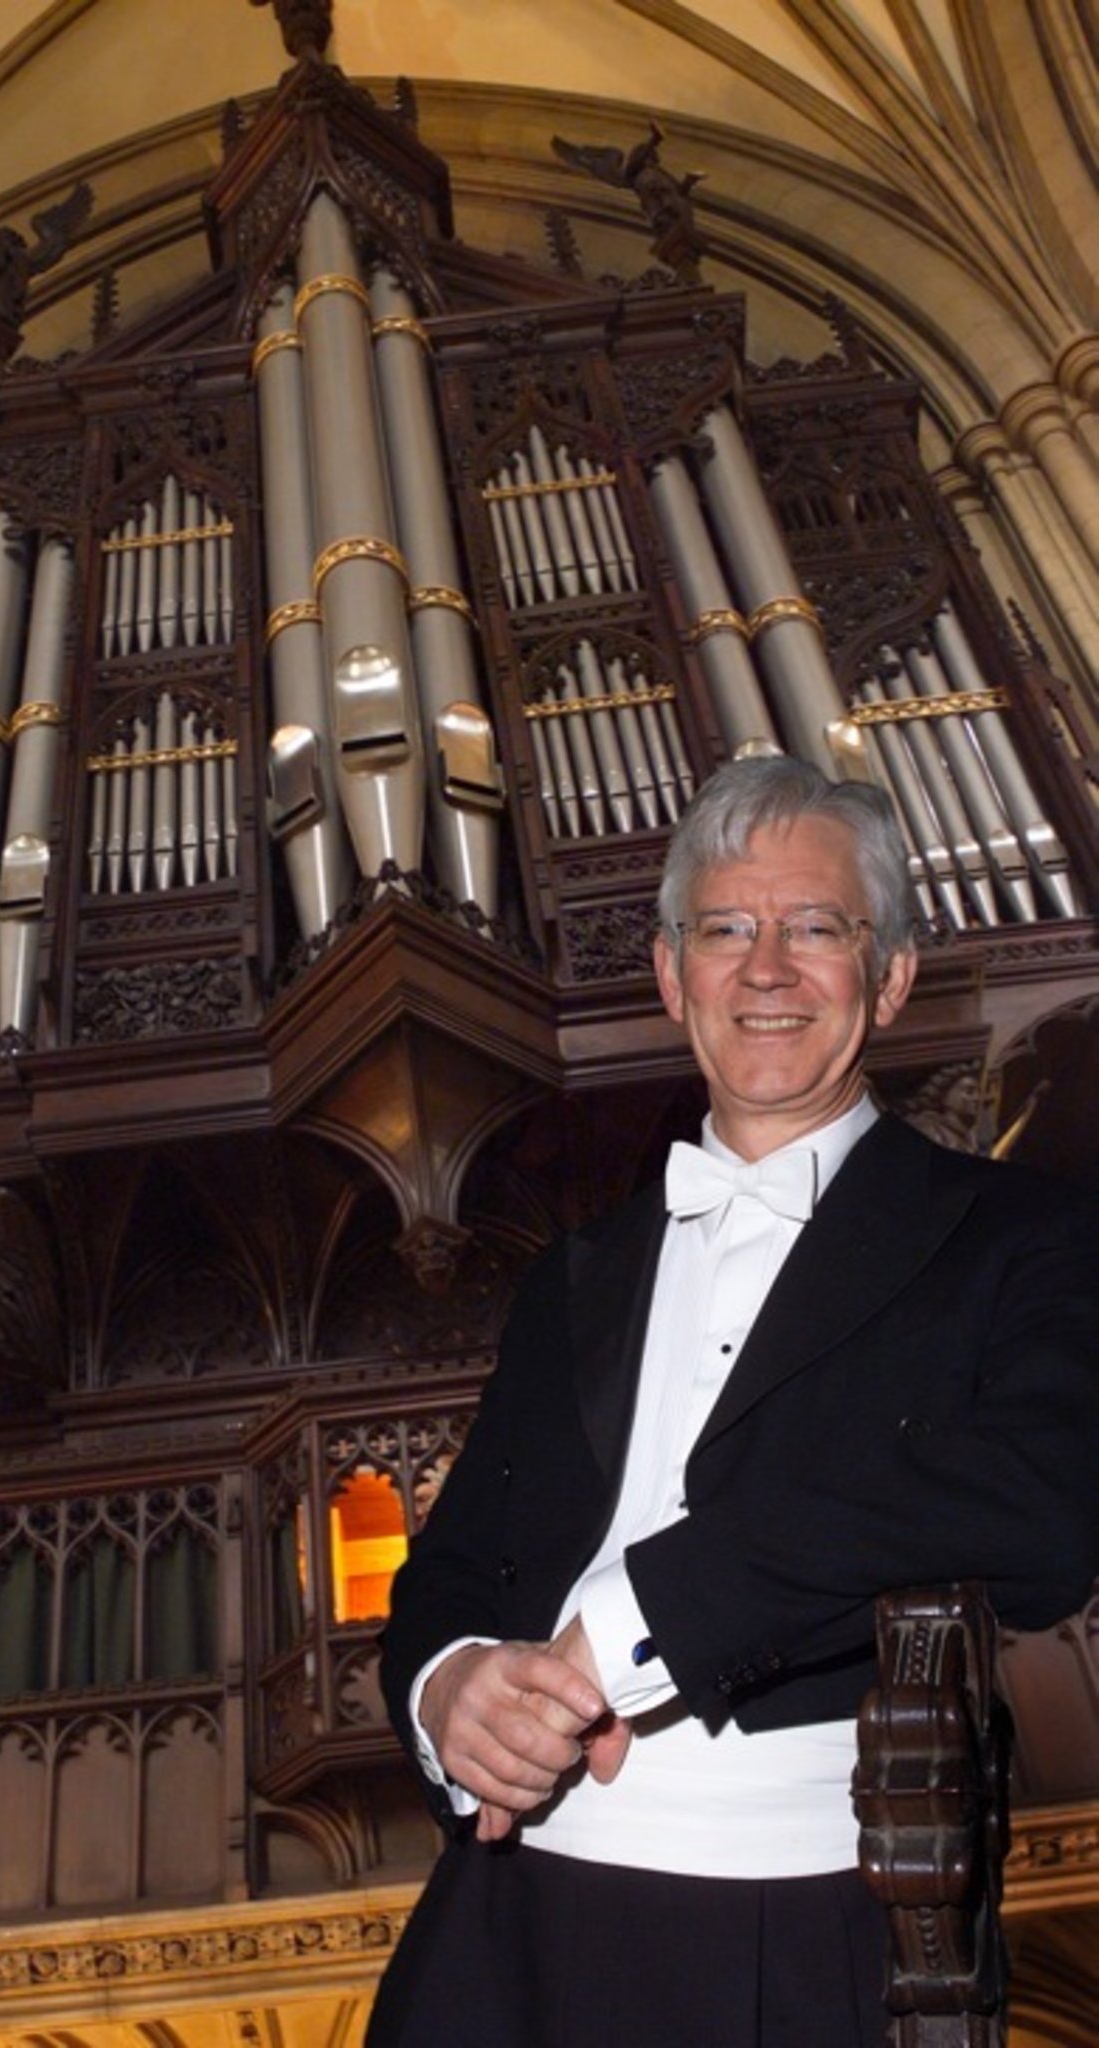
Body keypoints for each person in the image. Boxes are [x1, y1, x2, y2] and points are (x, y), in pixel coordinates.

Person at [370, 755, 1099, 2048]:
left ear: (887, 980)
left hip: (812, 1923)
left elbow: (1050, 1508)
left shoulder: (1022, 1234)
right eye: (725, 930)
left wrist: (647, 1615)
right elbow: (448, 1572)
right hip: (501, 1922)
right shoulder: (570, 1277)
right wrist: (452, 1691)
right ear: (672, 977)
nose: (766, 969)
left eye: (816, 927)